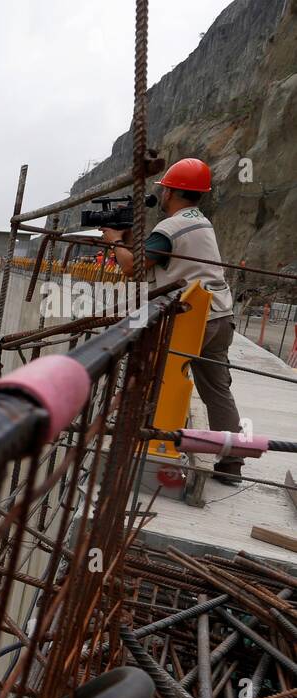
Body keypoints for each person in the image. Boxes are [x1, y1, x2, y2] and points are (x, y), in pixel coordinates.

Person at [103, 157, 245, 485]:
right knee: (217, 390)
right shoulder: (200, 222)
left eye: (164, 189)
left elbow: (130, 267)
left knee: (156, 377)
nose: (162, 194)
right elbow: (160, 258)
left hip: (192, 318)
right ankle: (232, 463)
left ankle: (148, 445)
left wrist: (114, 240)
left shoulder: (170, 227)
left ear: (170, 193)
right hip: (220, 315)